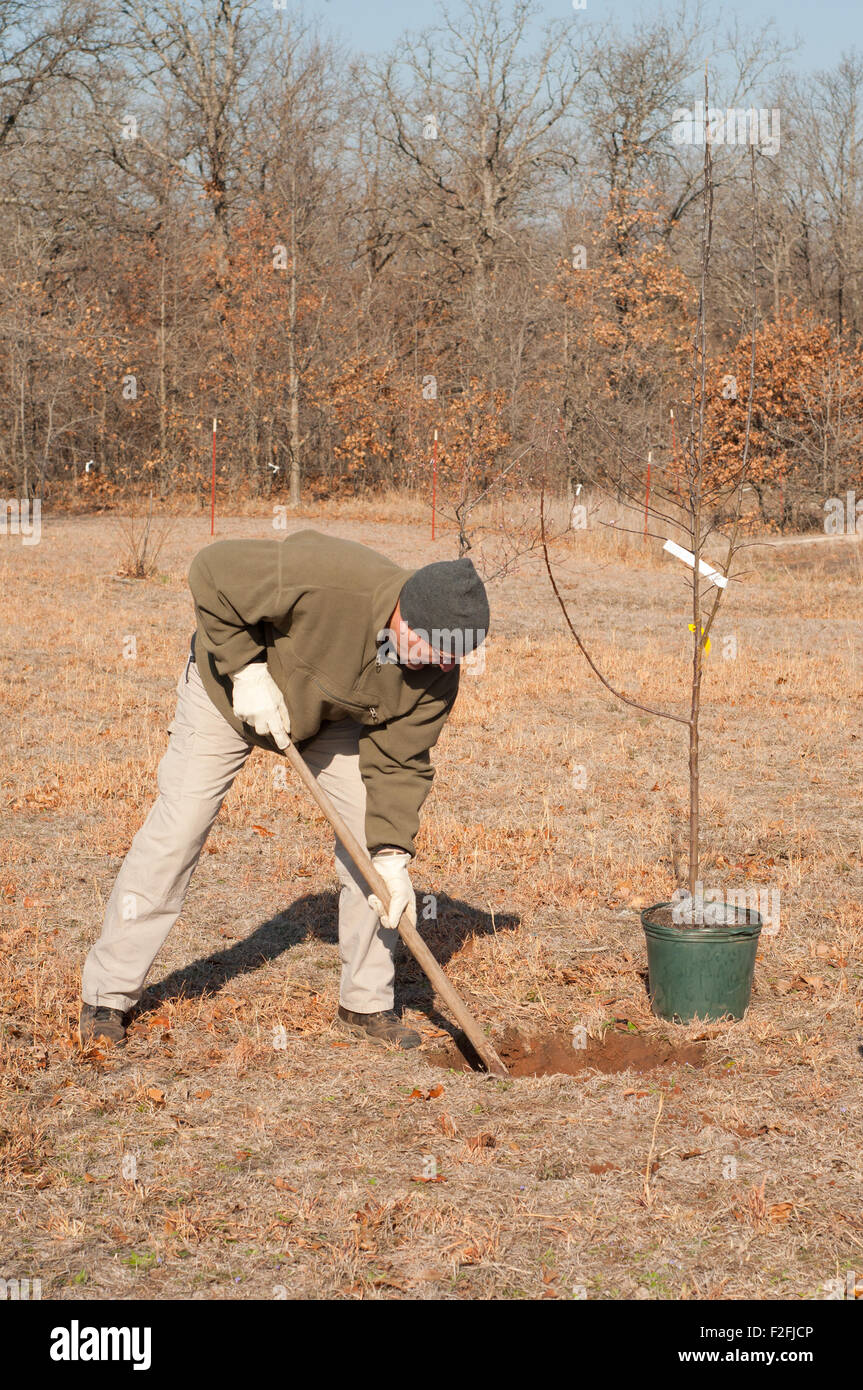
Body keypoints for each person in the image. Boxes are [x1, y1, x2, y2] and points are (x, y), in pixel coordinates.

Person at [79, 530, 489, 1051]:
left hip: (330, 718)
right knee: (178, 830)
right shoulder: (327, 578)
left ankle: (366, 1004)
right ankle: (107, 994)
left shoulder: (437, 670)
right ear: (406, 613)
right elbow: (211, 570)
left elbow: (402, 760)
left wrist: (391, 855)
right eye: (433, 649)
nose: (439, 666)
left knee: (370, 845)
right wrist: (247, 671)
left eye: (452, 658)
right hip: (228, 692)